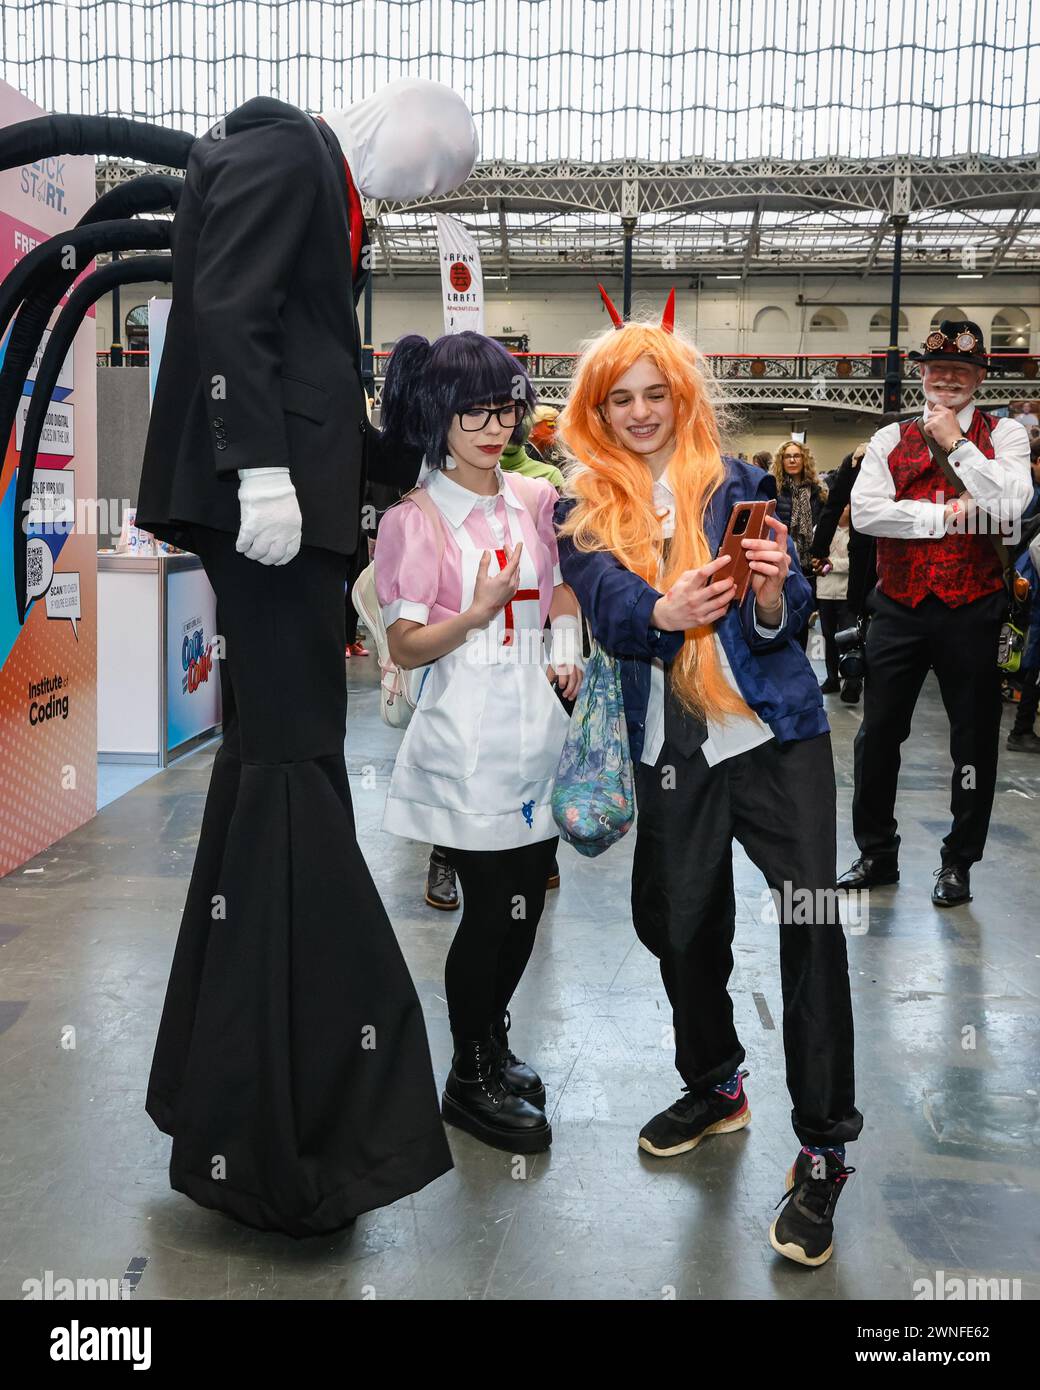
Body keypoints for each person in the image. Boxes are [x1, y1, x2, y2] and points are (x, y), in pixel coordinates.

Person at [133, 84, 478, 1236]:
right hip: (265, 524)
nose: (422, 189)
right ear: (395, 126)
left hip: (292, 530)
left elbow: (307, 365)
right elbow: (228, 308)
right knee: (288, 779)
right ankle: (287, 1133)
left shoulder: (326, 188)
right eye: (432, 165)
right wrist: (258, 469)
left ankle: (243, 1110)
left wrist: (396, 459)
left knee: (280, 770)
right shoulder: (289, 155)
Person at [555, 301, 862, 1268]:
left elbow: (794, 604)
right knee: (679, 926)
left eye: (656, 394)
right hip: (674, 750)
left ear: (683, 398)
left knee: (813, 929)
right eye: (620, 400)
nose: (641, 413)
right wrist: (660, 607)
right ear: (597, 414)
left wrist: (772, 595)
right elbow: (607, 607)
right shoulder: (584, 508)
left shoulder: (742, 483)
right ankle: (718, 1081)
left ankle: (822, 1153)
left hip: (777, 742)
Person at [374, 331, 583, 1155]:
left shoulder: (535, 501)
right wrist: (477, 612)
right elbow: (403, 646)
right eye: (475, 413)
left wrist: (564, 645)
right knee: (491, 910)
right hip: (465, 741)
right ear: (438, 417)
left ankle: (492, 1045)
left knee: (528, 902)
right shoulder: (411, 521)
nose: (495, 428)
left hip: (537, 732)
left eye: (505, 409)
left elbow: (564, 588)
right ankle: (468, 1074)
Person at [839, 321, 1032, 907]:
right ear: (922, 373)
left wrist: (956, 444)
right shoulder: (886, 438)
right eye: (937, 368)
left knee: (972, 743)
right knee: (877, 738)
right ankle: (876, 852)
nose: (947, 378)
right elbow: (868, 514)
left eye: (962, 371)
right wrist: (946, 516)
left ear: (978, 379)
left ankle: (959, 862)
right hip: (897, 607)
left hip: (972, 610)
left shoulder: (1008, 438)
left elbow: (1010, 508)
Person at [810, 443, 877, 703]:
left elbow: (833, 506)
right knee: (834, 635)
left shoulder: (856, 462)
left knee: (852, 632)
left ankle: (853, 679)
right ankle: (839, 677)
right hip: (831, 590)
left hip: (853, 580)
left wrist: (822, 557)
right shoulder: (855, 461)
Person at [770, 440, 826, 648]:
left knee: (801, 620)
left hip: (809, 567)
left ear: (804, 460)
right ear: (781, 461)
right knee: (780, 618)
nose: (792, 460)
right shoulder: (774, 491)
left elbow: (823, 528)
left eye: (797, 456)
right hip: (782, 564)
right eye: (787, 456)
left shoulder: (818, 492)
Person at [815, 506, 853, 693]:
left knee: (847, 638)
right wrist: (818, 563)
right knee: (828, 638)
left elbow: (855, 562)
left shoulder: (858, 532)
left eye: (846, 505)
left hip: (847, 593)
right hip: (825, 593)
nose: (842, 509)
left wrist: (831, 563)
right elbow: (815, 557)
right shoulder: (821, 529)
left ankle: (851, 680)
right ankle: (832, 679)